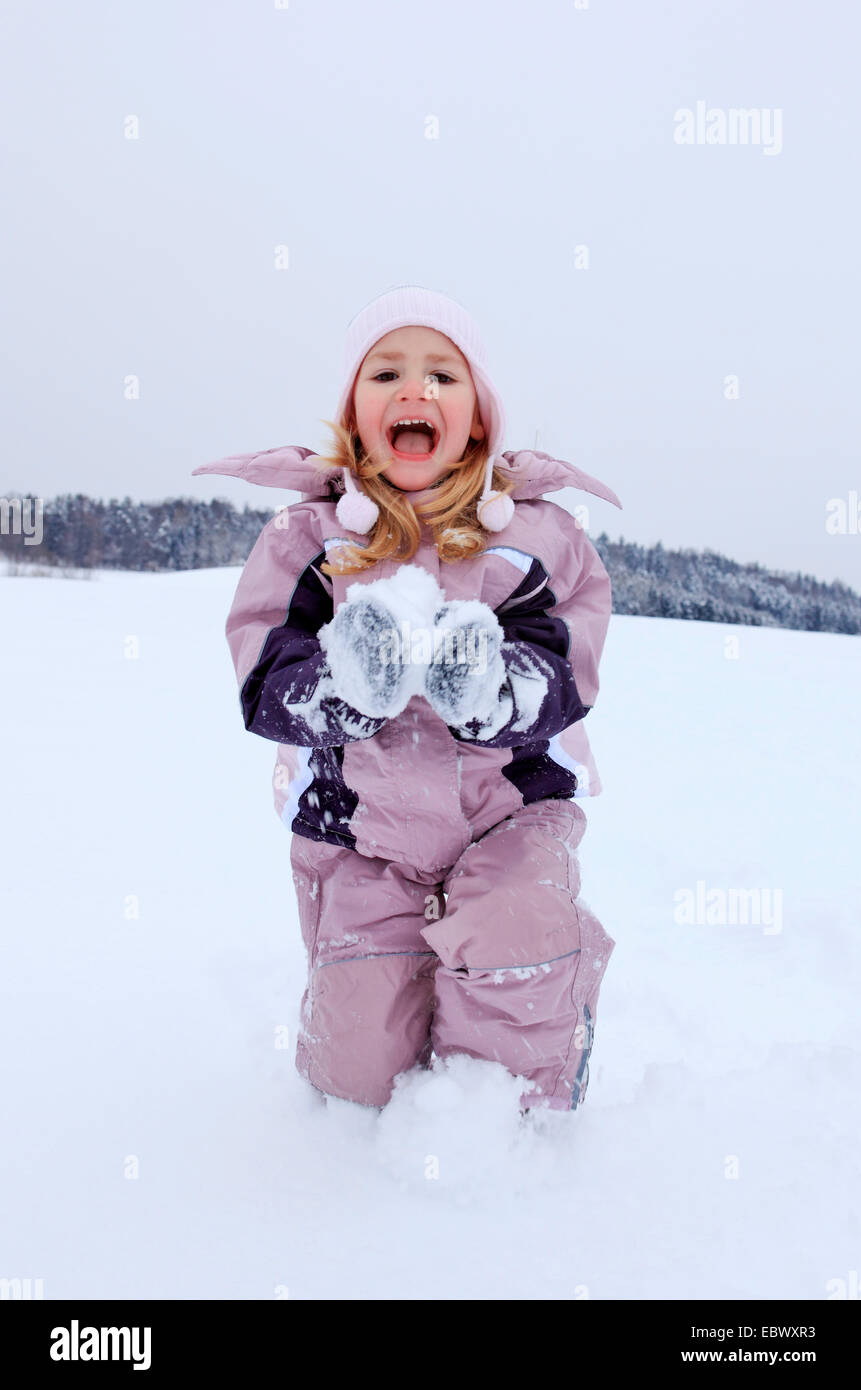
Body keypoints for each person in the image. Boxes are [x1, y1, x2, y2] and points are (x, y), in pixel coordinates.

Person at [192, 283, 622, 1115]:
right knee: (354, 1078)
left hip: (506, 815)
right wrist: (345, 691)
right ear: (355, 413)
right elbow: (263, 671)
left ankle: (519, 1117)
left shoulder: (533, 537)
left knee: (515, 947)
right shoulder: (310, 540)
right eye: (385, 372)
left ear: (481, 417)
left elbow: (569, 657)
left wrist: (495, 693)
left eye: (443, 376)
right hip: (361, 835)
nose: (414, 390)